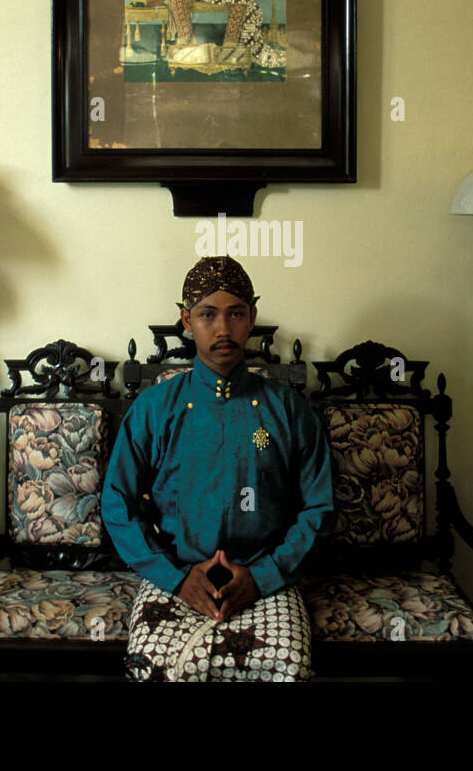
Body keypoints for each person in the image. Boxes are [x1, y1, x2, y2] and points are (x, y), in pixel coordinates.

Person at [102, 255, 333, 681]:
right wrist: (175, 578)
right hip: (174, 574)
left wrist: (263, 576)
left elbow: (318, 508)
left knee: (287, 665)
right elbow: (118, 504)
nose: (223, 330)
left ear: (252, 318)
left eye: (235, 314)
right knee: (151, 667)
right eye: (208, 315)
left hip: (268, 577)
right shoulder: (154, 409)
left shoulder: (288, 410)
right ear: (186, 321)